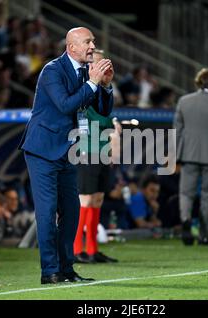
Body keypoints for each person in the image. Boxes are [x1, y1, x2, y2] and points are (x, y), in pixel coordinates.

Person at [18, 27, 114, 284]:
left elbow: (102, 111)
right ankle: (49, 271)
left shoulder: (85, 72)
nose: (93, 45)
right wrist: (93, 83)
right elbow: (65, 105)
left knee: (71, 212)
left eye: (93, 41)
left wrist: (105, 86)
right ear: (71, 47)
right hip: (43, 151)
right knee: (47, 212)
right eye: (88, 41)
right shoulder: (52, 71)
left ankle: (67, 269)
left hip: (69, 151)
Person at [174, 68, 208, 246]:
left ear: (197, 82)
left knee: (186, 193)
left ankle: (185, 221)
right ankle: (204, 234)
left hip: (188, 154)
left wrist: (175, 155)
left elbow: (177, 131)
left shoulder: (184, 101)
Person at [73, 49, 118, 264]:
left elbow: (106, 119)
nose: (105, 68)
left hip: (101, 152)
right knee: (85, 200)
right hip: (85, 149)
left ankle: (92, 249)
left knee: (97, 199)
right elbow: (88, 117)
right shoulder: (83, 88)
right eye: (101, 63)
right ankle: (75, 250)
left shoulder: (104, 91)